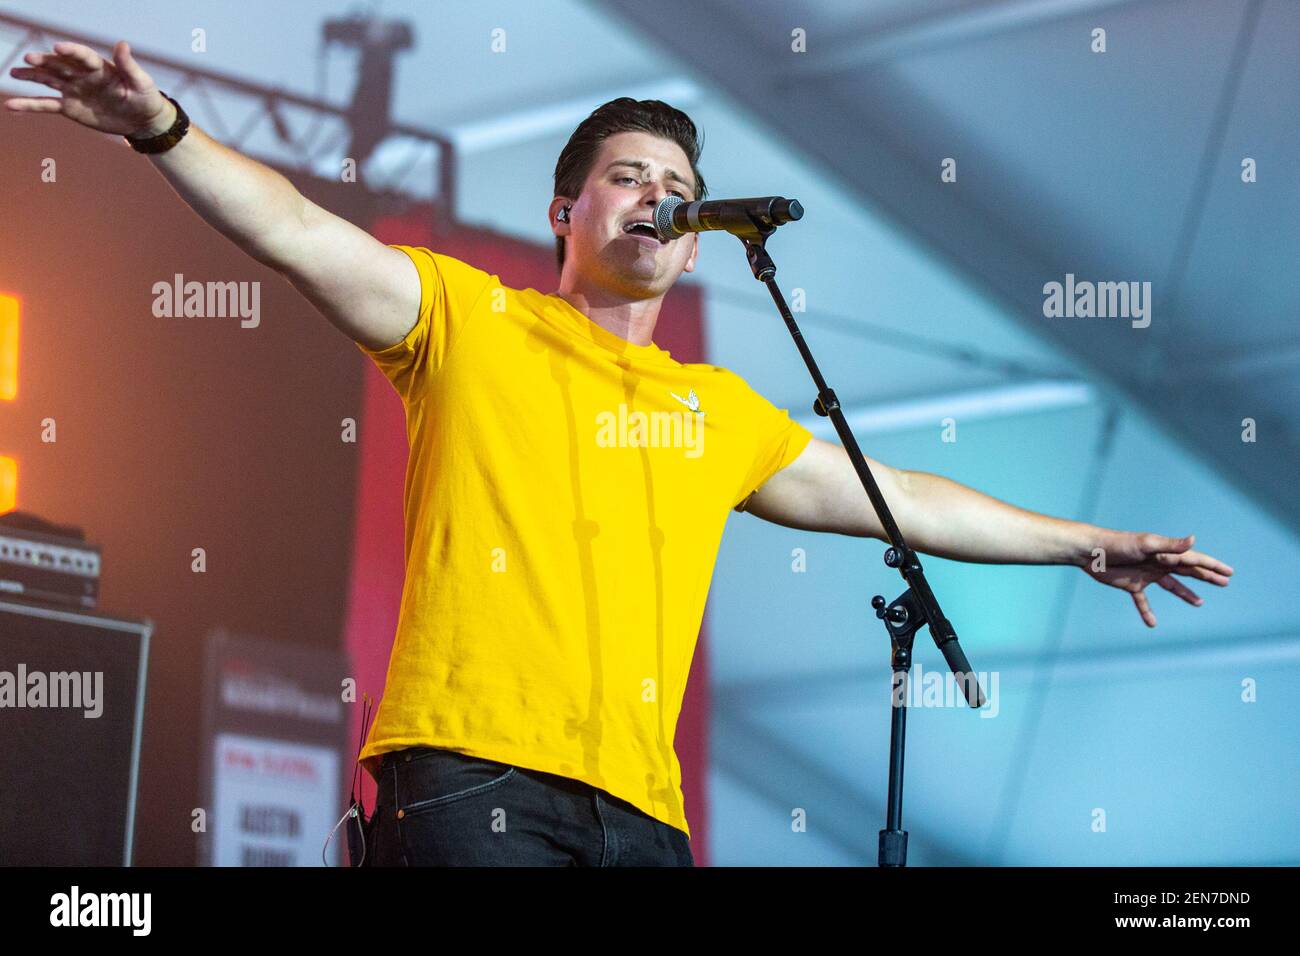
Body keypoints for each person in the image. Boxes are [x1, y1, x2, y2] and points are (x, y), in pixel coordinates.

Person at [6, 40, 1235, 868]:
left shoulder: (712, 409)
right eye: (625, 175)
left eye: (678, 186)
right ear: (566, 210)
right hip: (474, 776)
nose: (655, 195)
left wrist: (1087, 540)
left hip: (648, 816)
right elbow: (293, 229)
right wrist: (163, 128)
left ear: (697, 241)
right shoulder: (470, 320)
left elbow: (893, 495)